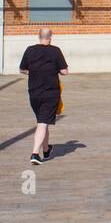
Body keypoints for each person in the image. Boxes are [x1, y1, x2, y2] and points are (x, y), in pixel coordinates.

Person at [19, 27, 69, 166]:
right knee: (42, 123)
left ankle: (46, 150)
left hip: (34, 93)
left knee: (43, 121)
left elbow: (22, 69)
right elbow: (64, 71)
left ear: (38, 36)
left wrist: (35, 72)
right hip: (50, 93)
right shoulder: (55, 51)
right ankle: (35, 153)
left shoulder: (30, 50)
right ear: (50, 37)